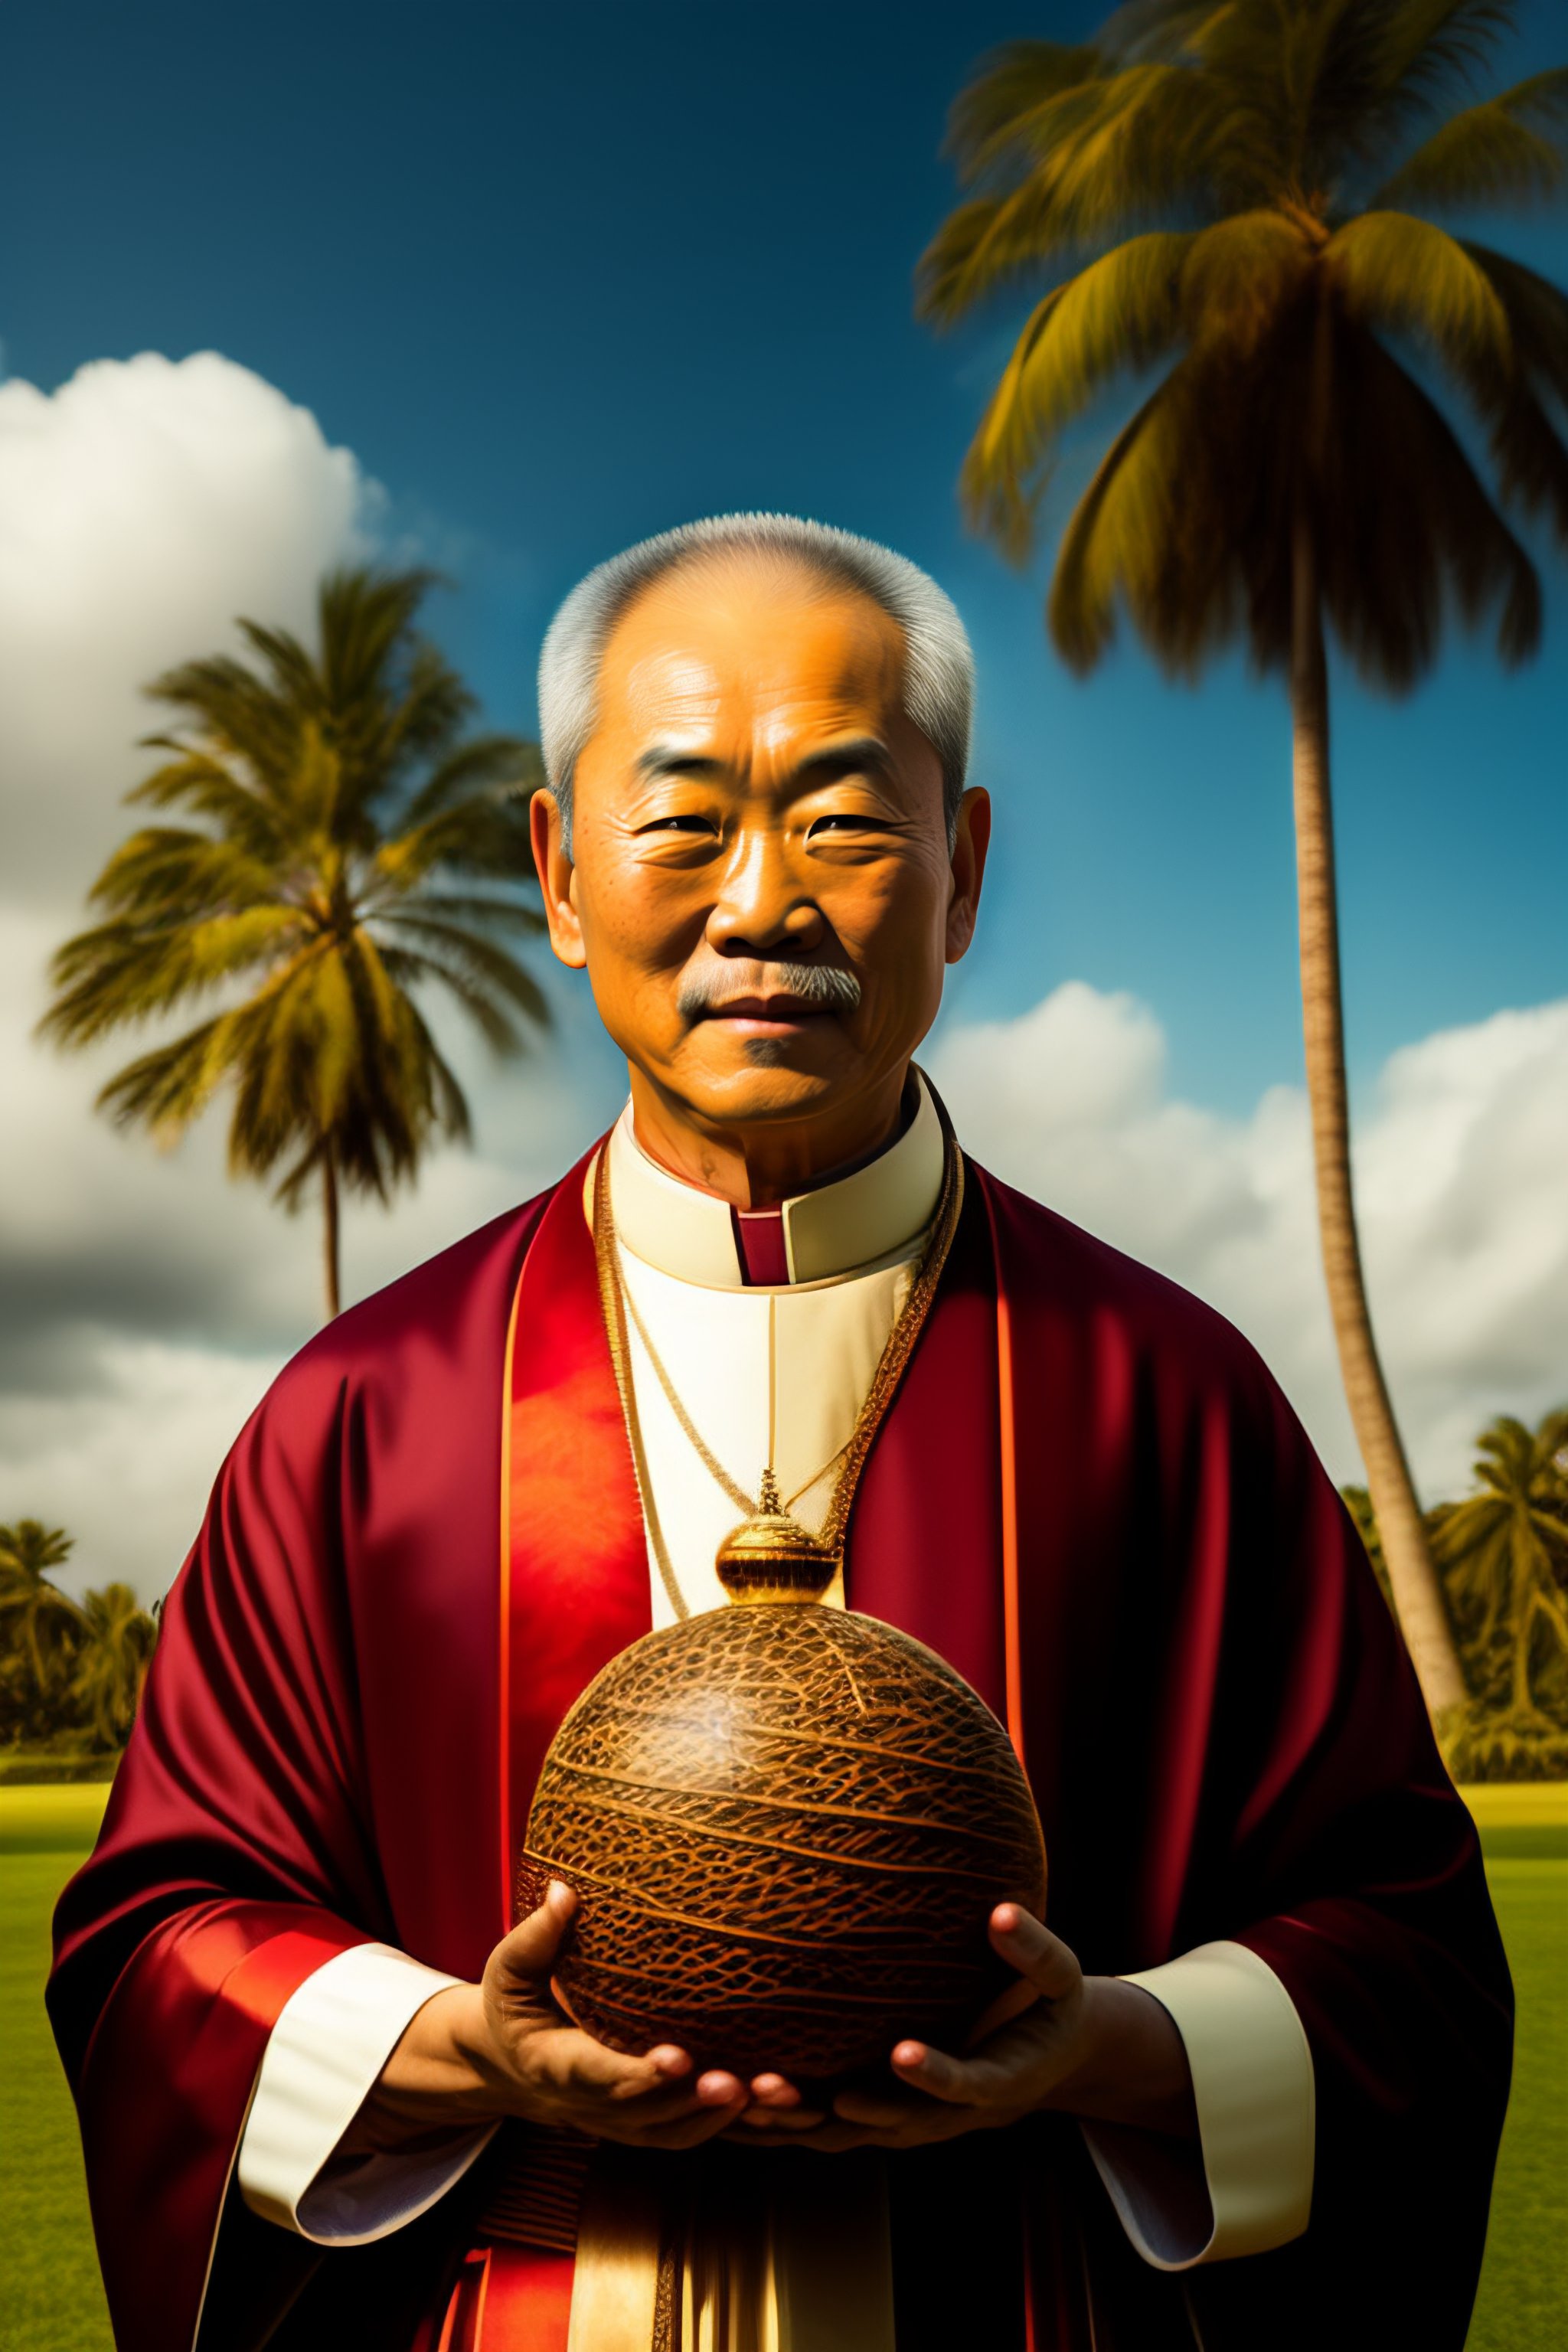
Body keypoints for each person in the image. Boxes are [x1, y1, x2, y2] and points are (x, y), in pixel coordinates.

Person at [50, 514, 1511, 2352]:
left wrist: (1108, 2043)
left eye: (843, 822)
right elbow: (160, 1941)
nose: (761, 905)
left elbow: (1404, 1957)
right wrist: (456, 2045)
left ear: (961, 875)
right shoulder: (370, 1412)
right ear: (558, 874)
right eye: (680, 824)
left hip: (1016, 2300)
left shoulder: (1160, 1396)